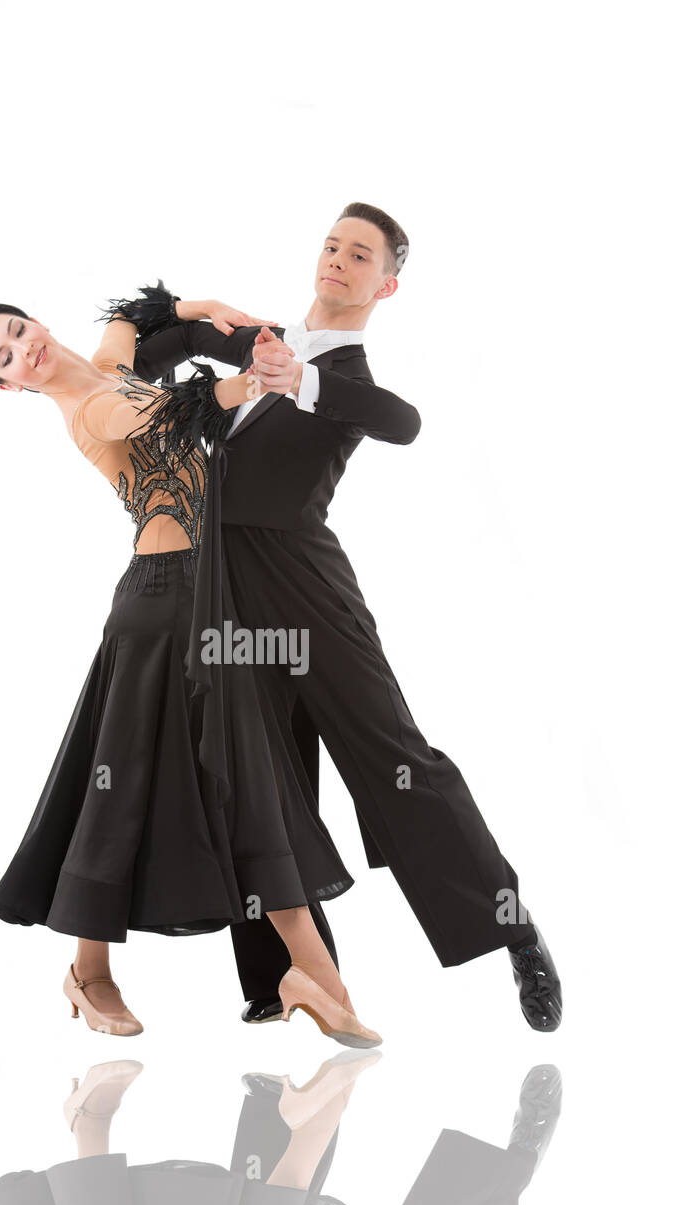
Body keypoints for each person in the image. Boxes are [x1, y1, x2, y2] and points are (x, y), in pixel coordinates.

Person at [124, 202, 563, 1033]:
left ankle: (513, 929)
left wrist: (306, 383)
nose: (338, 260)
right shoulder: (256, 339)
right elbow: (143, 356)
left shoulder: (348, 378)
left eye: (359, 255)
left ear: (385, 284)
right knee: (248, 767)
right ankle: (289, 973)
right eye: (332, 245)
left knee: (394, 756)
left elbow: (406, 423)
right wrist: (194, 314)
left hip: (303, 582)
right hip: (220, 581)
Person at [0, 288, 381, 1046]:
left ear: (40, 323)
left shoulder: (110, 364)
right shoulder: (89, 414)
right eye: (7, 355)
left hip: (215, 598)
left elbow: (136, 316)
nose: (25, 348)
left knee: (250, 778)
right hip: (155, 613)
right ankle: (89, 974)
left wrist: (195, 303)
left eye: (20, 330)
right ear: (9, 385)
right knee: (118, 791)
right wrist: (254, 380)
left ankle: (313, 975)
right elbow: (169, 414)